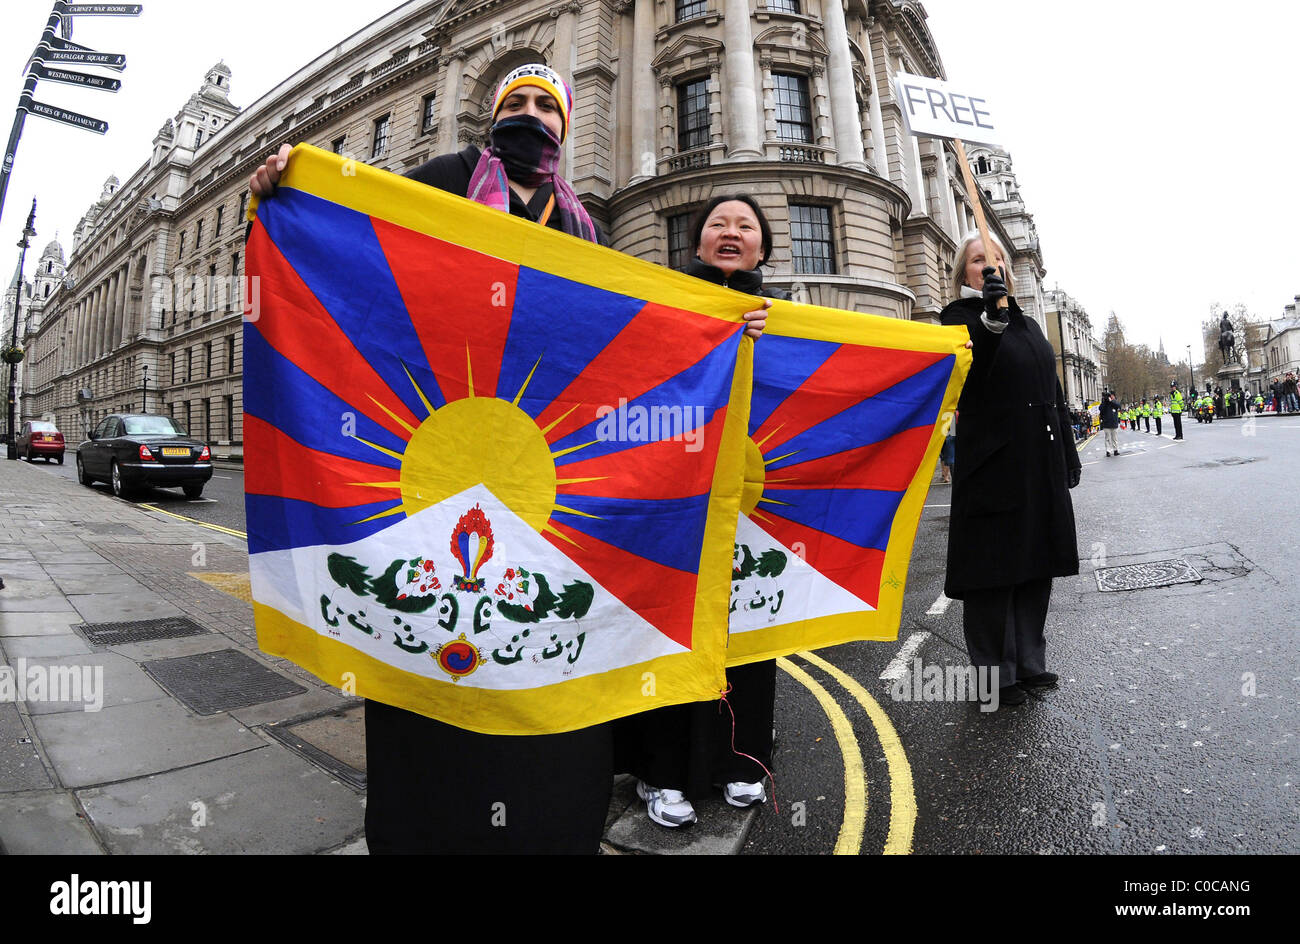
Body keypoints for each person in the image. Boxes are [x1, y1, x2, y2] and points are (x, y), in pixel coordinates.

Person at [248, 64, 766, 853]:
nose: (530, 115)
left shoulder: (585, 226)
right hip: (440, 454)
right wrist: (282, 191)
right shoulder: (445, 179)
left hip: (547, 478)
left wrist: (724, 328)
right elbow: (359, 248)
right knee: (431, 648)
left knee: (545, 650)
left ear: (563, 126)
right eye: (515, 104)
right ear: (491, 119)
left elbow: (622, 340)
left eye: (544, 106)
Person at [614, 194, 779, 827]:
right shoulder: (666, 301)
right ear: (697, 242)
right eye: (718, 224)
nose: (731, 233)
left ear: (762, 247)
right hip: (672, 501)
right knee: (670, 632)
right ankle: (662, 773)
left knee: (747, 636)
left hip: (748, 506)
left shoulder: (787, 319)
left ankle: (741, 761)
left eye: (745, 225)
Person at [940, 232, 1079, 708]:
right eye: (979, 261)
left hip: (1038, 459)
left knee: (1034, 564)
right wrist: (991, 322)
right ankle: (994, 679)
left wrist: (1068, 451)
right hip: (992, 463)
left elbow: (1052, 391)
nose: (990, 266)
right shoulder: (959, 318)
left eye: (997, 258)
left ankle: (1028, 663)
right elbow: (971, 376)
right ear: (964, 275)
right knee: (994, 573)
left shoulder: (1030, 324)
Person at [1100, 391, 1119, 456]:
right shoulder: (1104, 403)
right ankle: (1108, 451)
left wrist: (1111, 401)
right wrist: (1105, 402)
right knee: (1107, 438)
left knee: (1114, 438)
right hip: (1106, 424)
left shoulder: (1114, 402)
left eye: (1111, 396)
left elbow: (1118, 406)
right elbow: (1100, 409)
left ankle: (1115, 450)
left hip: (1114, 423)